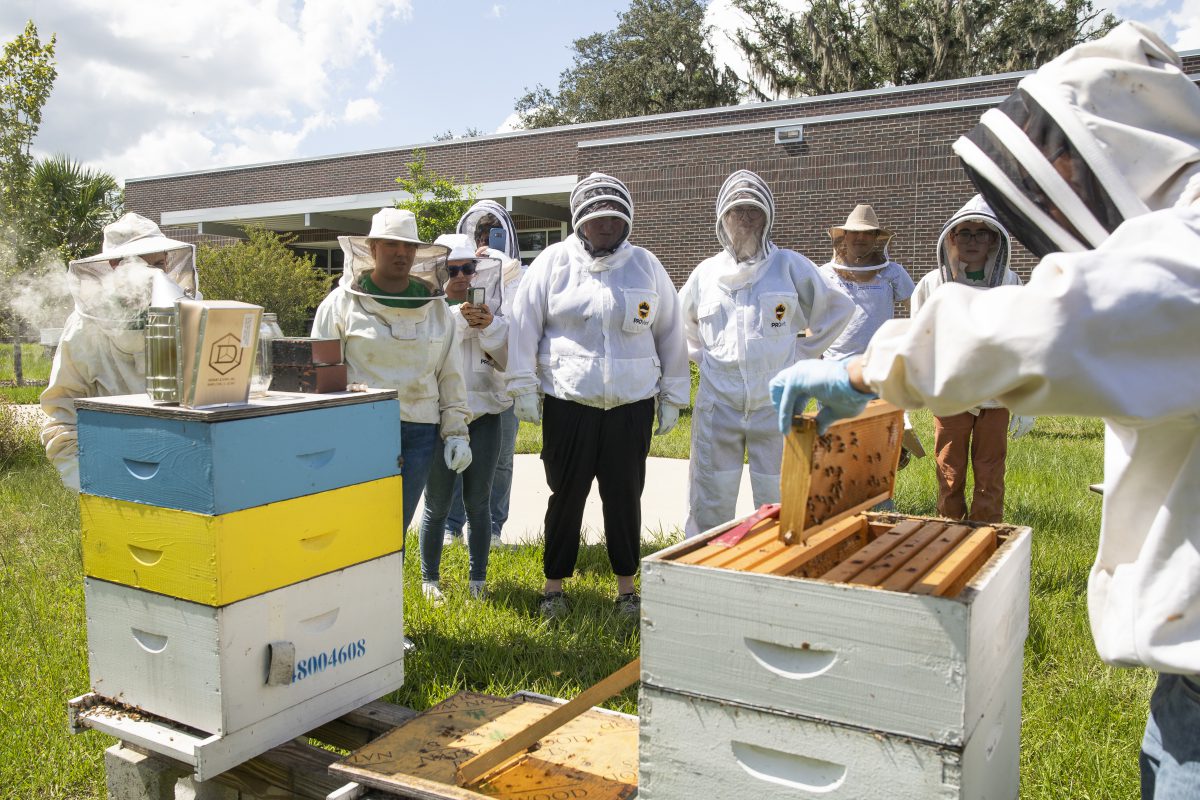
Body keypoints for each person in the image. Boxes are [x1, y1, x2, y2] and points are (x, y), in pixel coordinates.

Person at [769, 22, 1200, 799]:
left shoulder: (1192, 251)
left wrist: (867, 368)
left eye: (1062, 173)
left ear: (1117, 154)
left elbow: (1056, 328)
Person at [508, 172, 689, 618]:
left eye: (613, 218)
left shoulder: (646, 265)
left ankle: (627, 590)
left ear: (626, 220)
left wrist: (673, 395)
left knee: (625, 496)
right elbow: (522, 327)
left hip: (631, 406)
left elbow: (671, 334)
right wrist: (522, 386)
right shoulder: (552, 263)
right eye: (596, 218)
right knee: (565, 496)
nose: (605, 225)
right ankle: (554, 588)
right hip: (569, 403)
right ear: (579, 220)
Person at [678, 170, 853, 537]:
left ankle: (779, 568)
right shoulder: (705, 274)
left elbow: (838, 309)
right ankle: (705, 570)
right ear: (722, 218)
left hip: (776, 403)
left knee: (780, 498)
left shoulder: (788, 266)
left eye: (752, 211)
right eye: (736, 211)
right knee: (710, 495)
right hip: (719, 405)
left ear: (767, 216)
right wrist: (705, 359)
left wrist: (800, 355)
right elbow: (682, 326)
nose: (743, 220)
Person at [311, 207, 471, 532]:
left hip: (420, 430)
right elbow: (321, 373)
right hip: (360, 426)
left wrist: (456, 433)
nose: (401, 253)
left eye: (408, 246)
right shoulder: (340, 304)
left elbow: (450, 375)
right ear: (372, 249)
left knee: (393, 526)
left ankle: (387, 585)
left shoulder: (437, 309)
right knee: (357, 524)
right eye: (391, 245)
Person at [41, 213, 198, 491]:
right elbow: (61, 412)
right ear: (115, 265)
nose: (154, 276)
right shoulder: (84, 327)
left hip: (187, 458)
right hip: (114, 463)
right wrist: (83, 479)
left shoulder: (191, 313)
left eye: (160, 265)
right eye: (143, 266)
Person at [913, 196, 1032, 522]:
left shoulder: (1012, 283)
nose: (973, 241)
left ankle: (986, 537)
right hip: (951, 392)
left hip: (996, 392)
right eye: (964, 233)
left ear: (995, 239)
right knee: (949, 471)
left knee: (990, 472)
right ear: (951, 238)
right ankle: (950, 535)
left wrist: (1025, 399)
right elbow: (917, 339)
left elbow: (1022, 340)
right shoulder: (932, 284)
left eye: (982, 234)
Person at [418, 233, 517, 601]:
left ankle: (479, 581)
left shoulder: (495, 313)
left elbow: (509, 362)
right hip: (441, 418)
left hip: (487, 415)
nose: (460, 276)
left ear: (478, 272)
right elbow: (430, 357)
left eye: (468, 268)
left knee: (479, 502)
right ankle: (430, 580)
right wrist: (461, 322)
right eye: (452, 269)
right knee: (438, 503)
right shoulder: (430, 313)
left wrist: (488, 328)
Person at [441, 200, 524, 548]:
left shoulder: (518, 277)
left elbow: (521, 332)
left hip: (499, 386)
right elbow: (432, 331)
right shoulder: (445, 277)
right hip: (456, 389)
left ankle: (492, 528)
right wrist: (460, 315)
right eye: (479, 231)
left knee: (500, 463)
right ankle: (450, 527)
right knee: (456, 458)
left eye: (494, 232)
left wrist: (492, 323)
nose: (486, 239)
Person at [818, 204, 914, 363]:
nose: (861, 238)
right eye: (855, 232)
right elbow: (811, 315)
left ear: (876, 237)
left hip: (878, 364)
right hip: (834, 364)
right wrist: (814, 358)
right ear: (845, 235)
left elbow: (918, 309)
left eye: (868, 233)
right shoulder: (825, 272)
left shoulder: (894, 272)